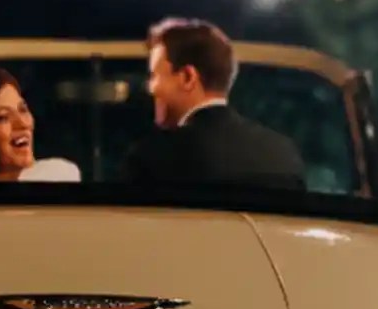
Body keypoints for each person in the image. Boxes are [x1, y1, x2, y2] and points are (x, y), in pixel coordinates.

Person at [122, 18, 305, 190]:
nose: (150, 88)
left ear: (188, 77)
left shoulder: (153, 158)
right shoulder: (282, 154)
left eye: (154, 75)